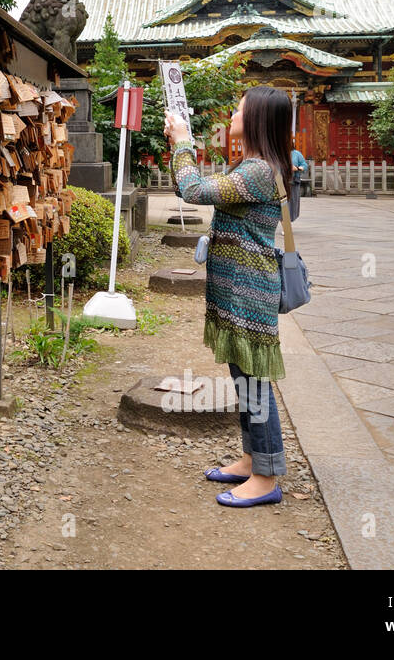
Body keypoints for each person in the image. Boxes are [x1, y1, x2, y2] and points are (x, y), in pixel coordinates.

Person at [164, 87, 293, 508]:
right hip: (238, 287)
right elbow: (197, 185)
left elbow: (194, 190)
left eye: (239, 108)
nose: (233, 112)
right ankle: (251, 457)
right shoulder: (256, 165)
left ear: (256, 119)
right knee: (244, 376)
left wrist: (183, 141)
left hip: (248, 290)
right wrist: (180, 145)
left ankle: (266, 475)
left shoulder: (259, 171)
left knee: (254, 381)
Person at [289, 147, 308, 219]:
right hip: (280, 181)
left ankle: (287, 225)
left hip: (293, 181)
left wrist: (297, 168)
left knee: (292, 203)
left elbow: (304, 165)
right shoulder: (278, 152)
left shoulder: (296, 154)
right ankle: (286, 226)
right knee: (281, 204)